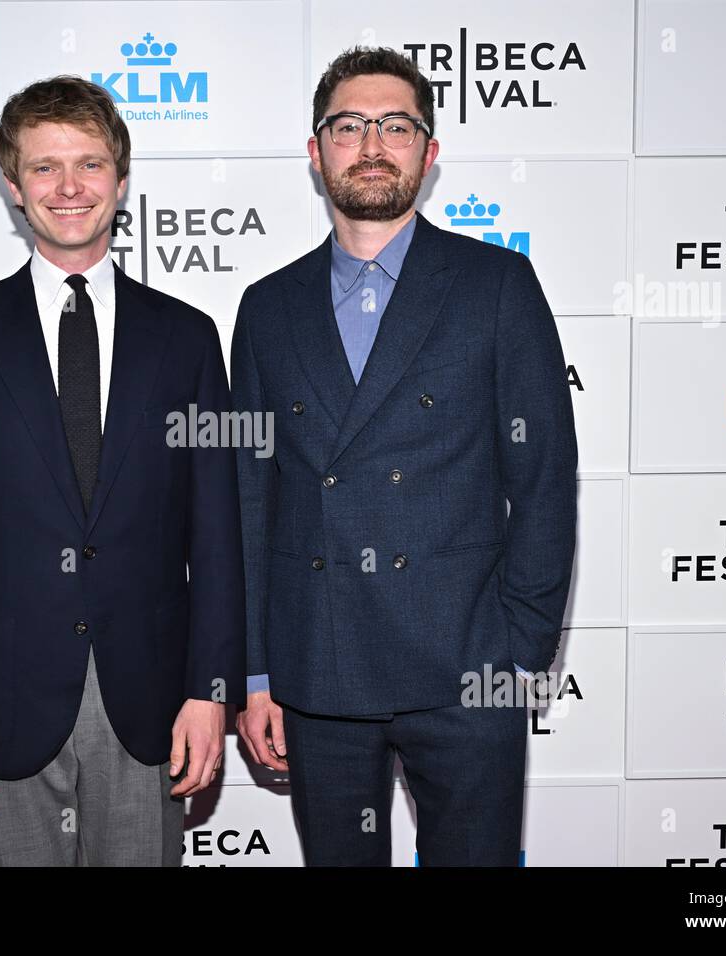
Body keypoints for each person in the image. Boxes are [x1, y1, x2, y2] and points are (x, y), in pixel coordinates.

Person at [232, 46, 578, 866]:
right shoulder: (267, 306)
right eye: (349, 125)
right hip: (318, 670)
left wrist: (518, 652)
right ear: (316, 154)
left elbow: (544, 478)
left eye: (396, 125)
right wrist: (252, 674)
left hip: (464, 669)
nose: (373, 143)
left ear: (429, 151)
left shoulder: (498, 284)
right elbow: (249, 500)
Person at [0, 75, 244, 866]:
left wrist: (210, 691)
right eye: (44, 166)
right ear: (13, 186)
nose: (68, 187)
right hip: (1, 701)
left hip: (152, 699)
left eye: (89, 164)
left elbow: (217, 536)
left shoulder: (188, 340)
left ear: (121, 181)